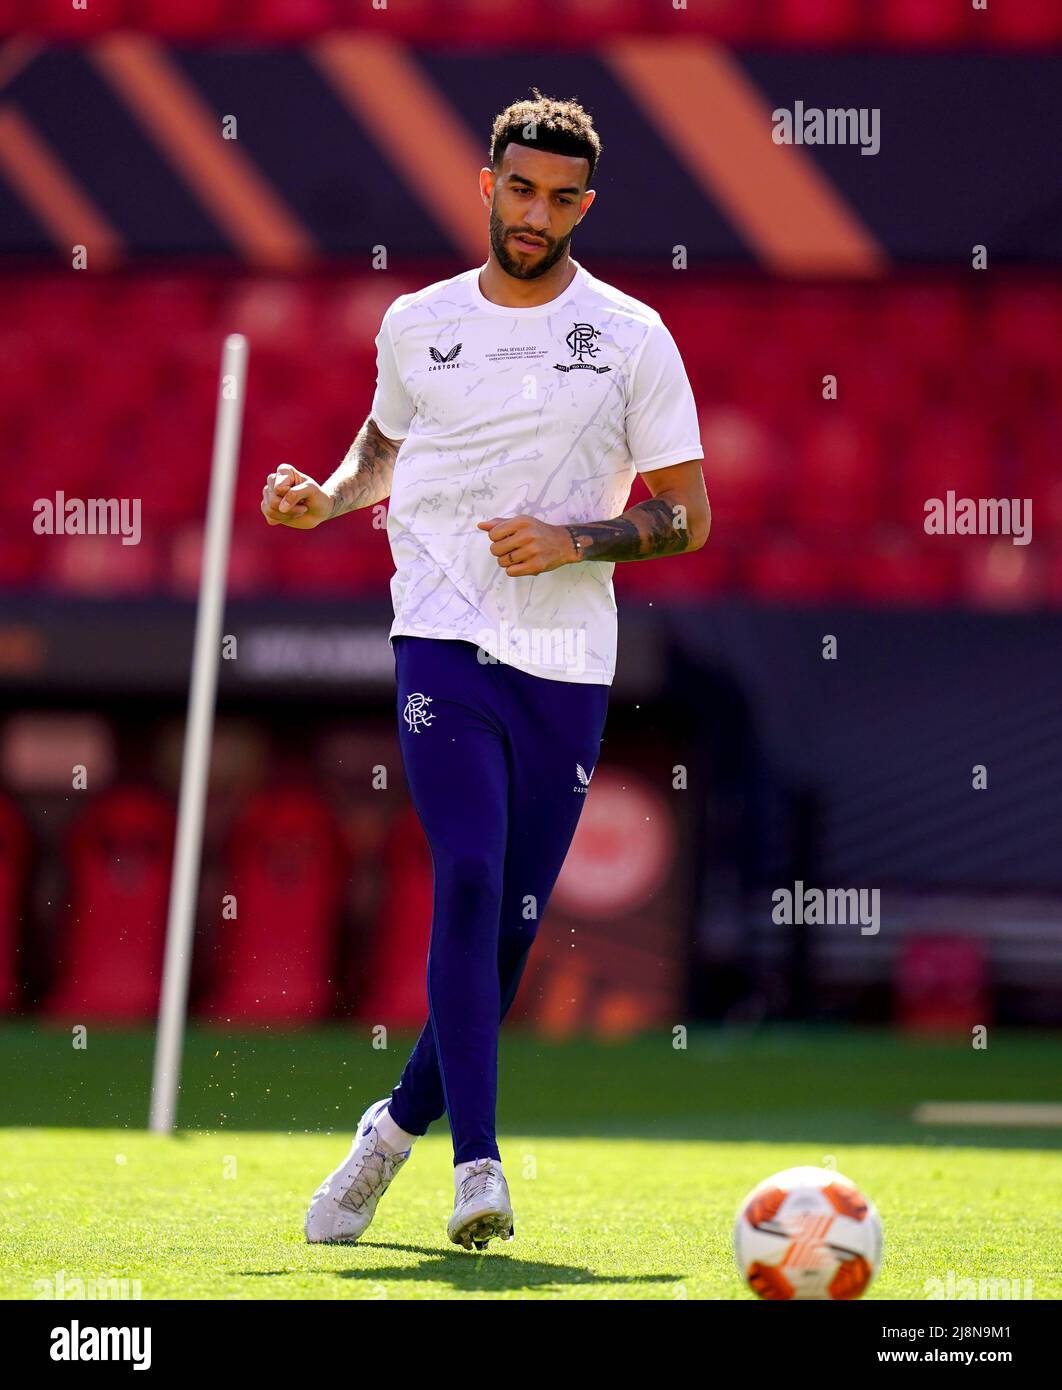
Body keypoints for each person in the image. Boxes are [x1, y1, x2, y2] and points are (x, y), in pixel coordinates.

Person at [261, 89, 710, 1251]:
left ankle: (389, 1134)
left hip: (564, 659)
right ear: (487, 184)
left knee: (511, 922)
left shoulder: (631, 337)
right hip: (442, 636)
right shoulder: (415, 322)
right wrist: (327, 493)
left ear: (584, 206)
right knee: (464, 873)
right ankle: (478, 1167)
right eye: (520, 188)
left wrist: (577, 540)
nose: (535, 212)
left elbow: (688, 515)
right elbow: (383, 447)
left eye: (560, 198)